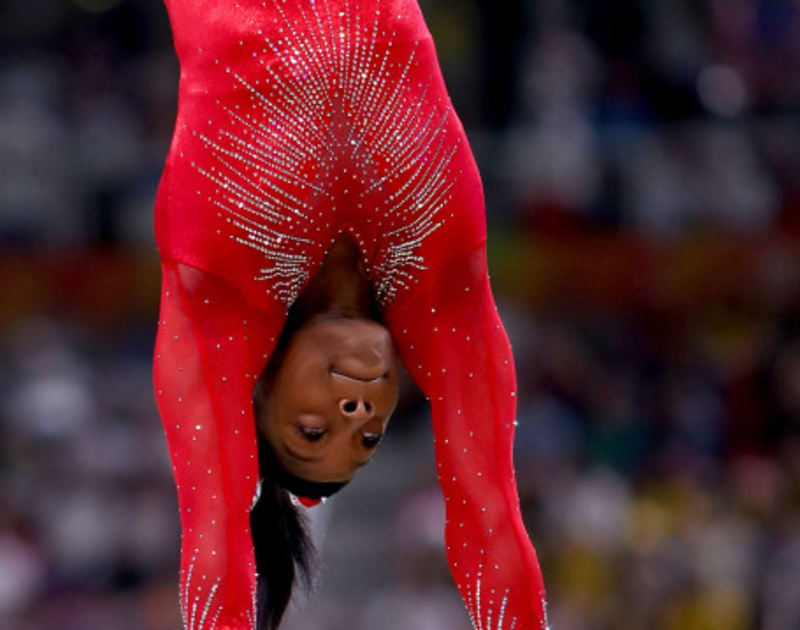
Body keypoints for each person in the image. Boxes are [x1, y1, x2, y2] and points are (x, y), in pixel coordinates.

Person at [152, 1, 549, 628]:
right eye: (367, 436)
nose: (356, 412)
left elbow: (215, 523)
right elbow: (489, 508)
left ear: (260, 395)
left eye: (313, 431)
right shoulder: (438, 277)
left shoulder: (220, 296)